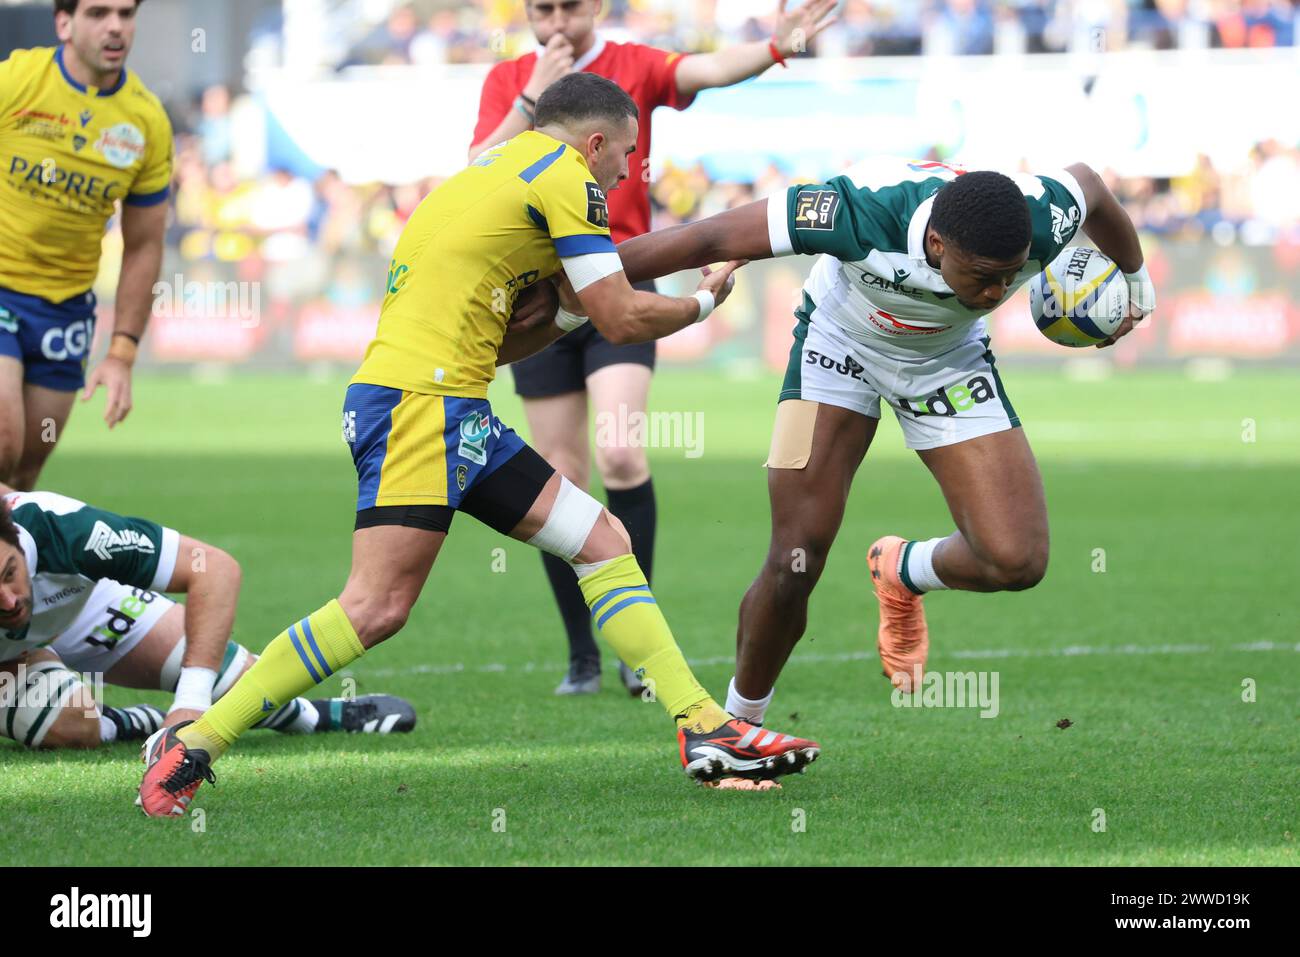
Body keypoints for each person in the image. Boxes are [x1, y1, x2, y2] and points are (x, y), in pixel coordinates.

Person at [138, 73, 820, 818]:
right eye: (624, 153)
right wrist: (703, 301)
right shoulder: (567, 176)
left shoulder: (489, 174)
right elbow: (620, 317)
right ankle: (194, 745)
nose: (627, 171)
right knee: (374, 606)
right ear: (594, 143)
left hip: (440, 403)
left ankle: (704, 727)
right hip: (421, 407)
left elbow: (501, 340)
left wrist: (561, 313)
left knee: (601, 538)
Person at [614, 156, 1156, 732]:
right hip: (835, 347)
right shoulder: (858, 212)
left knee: (1016, 561)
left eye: (1011, 274)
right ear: (939, 243)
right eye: (983, 276)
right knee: (795, 557)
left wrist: (1135, 277)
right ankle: (735, 728)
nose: (998, 292)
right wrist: (571, 278)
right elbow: (708, 235)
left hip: (947, 363)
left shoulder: (1043, 213)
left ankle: (903, 569)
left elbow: (1092, 186)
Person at [470, 0, 839, 696]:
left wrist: (776, 46)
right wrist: (530, 92)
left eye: (567, 8)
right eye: (540, 9)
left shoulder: (631, 65)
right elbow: (478, 169)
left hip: (616, 282)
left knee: (620, 450)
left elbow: (707, 67)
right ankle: (581, 653)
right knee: (560, 473)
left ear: (595, 9)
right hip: (540, 300)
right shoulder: (511, 78)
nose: (554, 21)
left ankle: (637, 649)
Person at [0, 487, 416, 751]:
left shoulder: (61, 526)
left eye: (9, 574)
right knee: (73, 725)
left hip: (76, 604)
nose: (8, 600)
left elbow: (211, 568)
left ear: (16, 538)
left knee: (243, 685)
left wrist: (190, 705)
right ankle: (126, 723)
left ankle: (316, 715)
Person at [0, 0, 171, 488]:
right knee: (2, 441)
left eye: (125, 13)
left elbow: (143, 245)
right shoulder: (15, 82)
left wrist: (121, 353)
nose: (115, 26)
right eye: (98, 13)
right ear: (63, 23)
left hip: (66, 310)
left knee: (24, 473)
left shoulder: (146, 122)